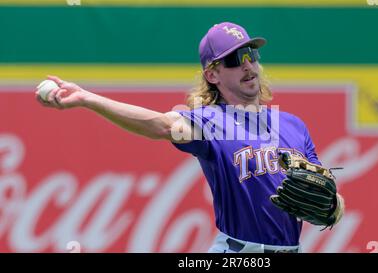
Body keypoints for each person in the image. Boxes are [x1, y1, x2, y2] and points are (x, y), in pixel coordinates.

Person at [35, 22, 329, 253]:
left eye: (250, 54)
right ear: (212, 75)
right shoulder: (211, 122)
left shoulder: (293, 125)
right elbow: (162, 125)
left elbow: (326, 193)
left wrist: (333, 207)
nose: (247, 65)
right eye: (235, 59)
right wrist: (88, 98)